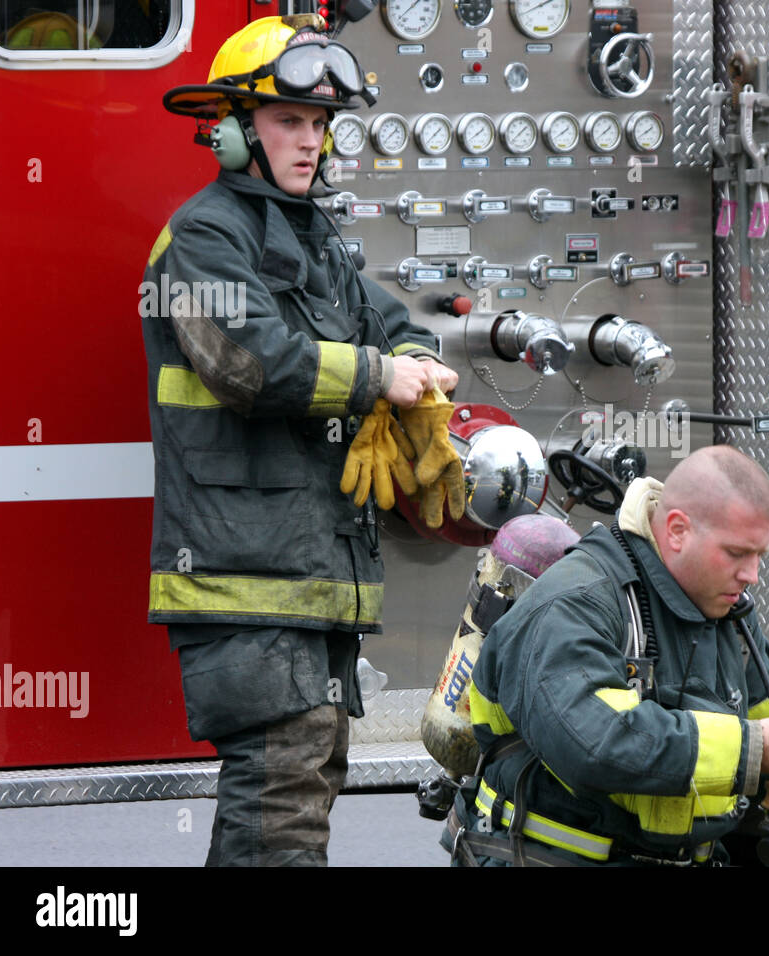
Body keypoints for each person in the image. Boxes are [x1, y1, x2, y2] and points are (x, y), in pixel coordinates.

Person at [143, 15, 457, 866]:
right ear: (234, 129)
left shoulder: (311, 235)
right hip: (244, 579)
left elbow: (392, 323)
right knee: (277, 808)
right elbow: (248, 362)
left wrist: (420, 366)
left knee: (301, 793)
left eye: (319, 125)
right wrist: (374, 378)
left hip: (306, 579)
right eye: (288, 121)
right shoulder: (204, 237)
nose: (310, 141)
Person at [444, 445, 769, 866]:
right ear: (677, 530)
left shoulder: (723, 610)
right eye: (737, 553)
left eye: (759, 555)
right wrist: (751, 750)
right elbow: (597, 745)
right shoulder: (576, 601)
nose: (752, 575)